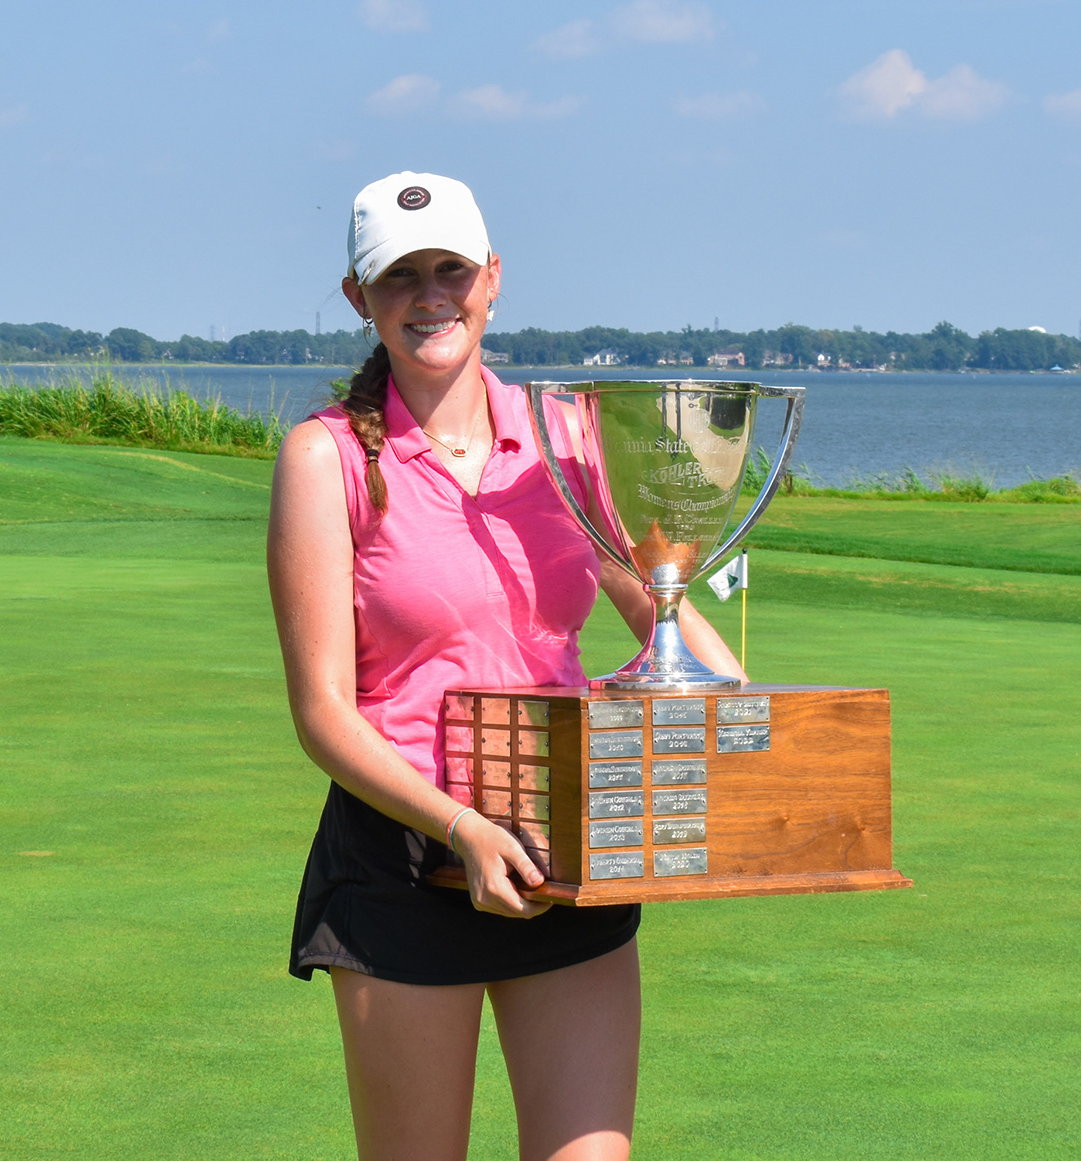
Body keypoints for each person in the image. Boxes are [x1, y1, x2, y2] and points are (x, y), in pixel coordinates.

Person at [267, 171, 747, 1161]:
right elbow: (322, 711)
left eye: (450, 269)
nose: (429, 294)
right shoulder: (326, 460)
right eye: (399, 277)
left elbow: (650, 598)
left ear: (493, 280)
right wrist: (463, 828)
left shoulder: (566, 435)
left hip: (568, 839)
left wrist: (740, 709)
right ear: (360, 298)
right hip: (406, 857)